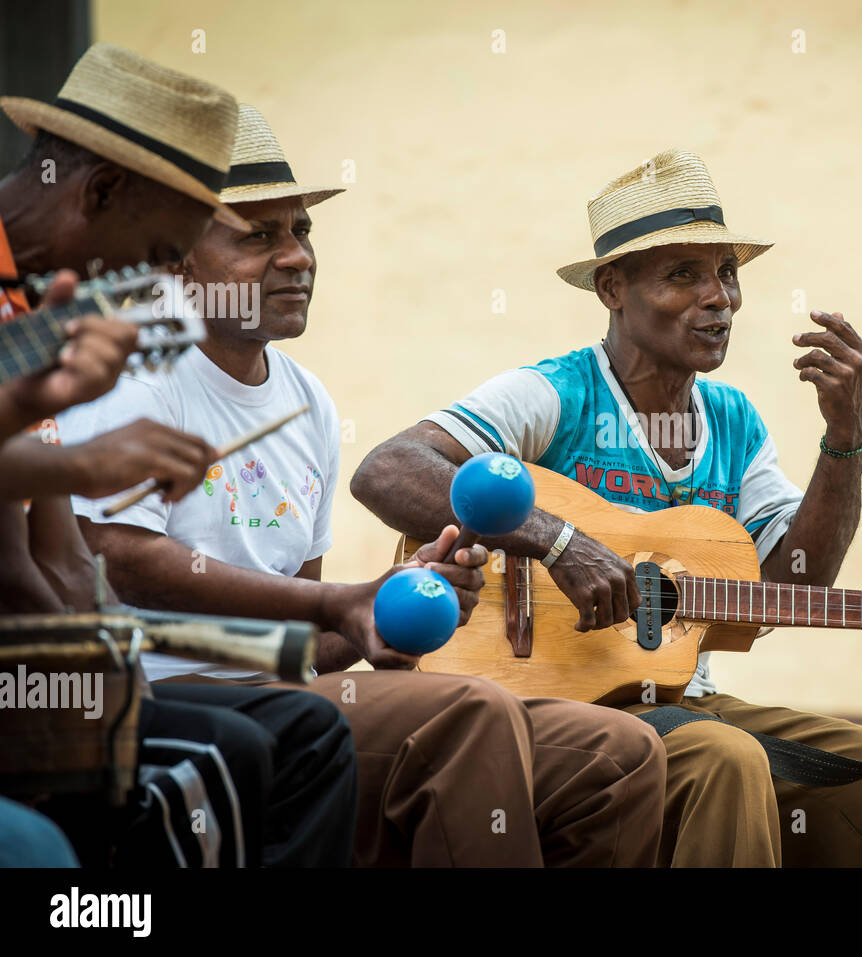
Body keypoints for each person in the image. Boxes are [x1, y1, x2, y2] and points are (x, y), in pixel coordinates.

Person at [61, 105, 666, 867]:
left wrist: (381, 611)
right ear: (179, 261)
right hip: (165, 697)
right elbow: (115, 556)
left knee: (619, 750)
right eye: (258, 236)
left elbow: (301, 650)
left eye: (301, 231)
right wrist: (337, 600)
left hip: (285, 698)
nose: (295, 257)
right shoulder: (139, 370)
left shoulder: (308, 400)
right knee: (467, 711)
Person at [352, 148, 862, 867]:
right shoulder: (552, 395)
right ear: (613, 287)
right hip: (550, 703)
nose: (720, 299)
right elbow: (387, 470)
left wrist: (843, 437)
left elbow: (790, 590)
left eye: (727, 275)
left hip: (683, 703)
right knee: (727, 760)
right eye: (684, 275)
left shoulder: (735, 422)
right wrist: (556, 542)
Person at [0, 44, 358, 867]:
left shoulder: (31, 306)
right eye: (159, 251)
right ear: (97, 192)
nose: (158, 280)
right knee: (208, 763)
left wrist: (91, 669)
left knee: (291, 734)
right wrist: (82, 466)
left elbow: (40, 553)